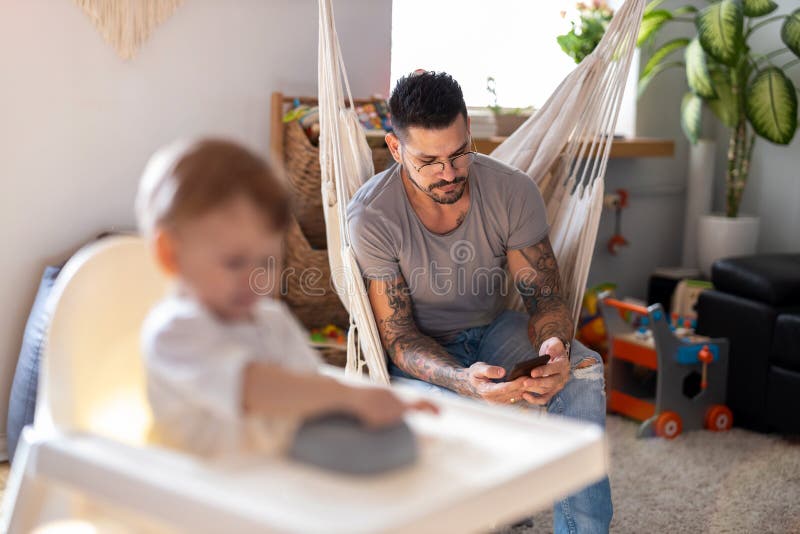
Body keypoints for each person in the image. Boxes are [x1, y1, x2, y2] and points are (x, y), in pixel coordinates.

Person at [347, 71, 612, 532]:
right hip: (422, 358)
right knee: (458, 415)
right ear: (395, 148)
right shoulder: (372, 216)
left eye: (458, 153)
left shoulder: (512, 190)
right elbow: (399, 338)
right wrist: (462, 382)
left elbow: (546, 298)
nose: (449, 173)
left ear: (469, 130)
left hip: (491, 330)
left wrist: (554, 348)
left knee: (583, 373)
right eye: (429, 161)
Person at [136, 138, 436, 457]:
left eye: (267, 262)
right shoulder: (175, 331)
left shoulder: (270, 321)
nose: (255, 278)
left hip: (274, 480)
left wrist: (379, 410)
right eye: (234, 262)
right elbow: (255, 389)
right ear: (170, 254)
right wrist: (353, 398)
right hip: (198, 491)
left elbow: (307, 387)